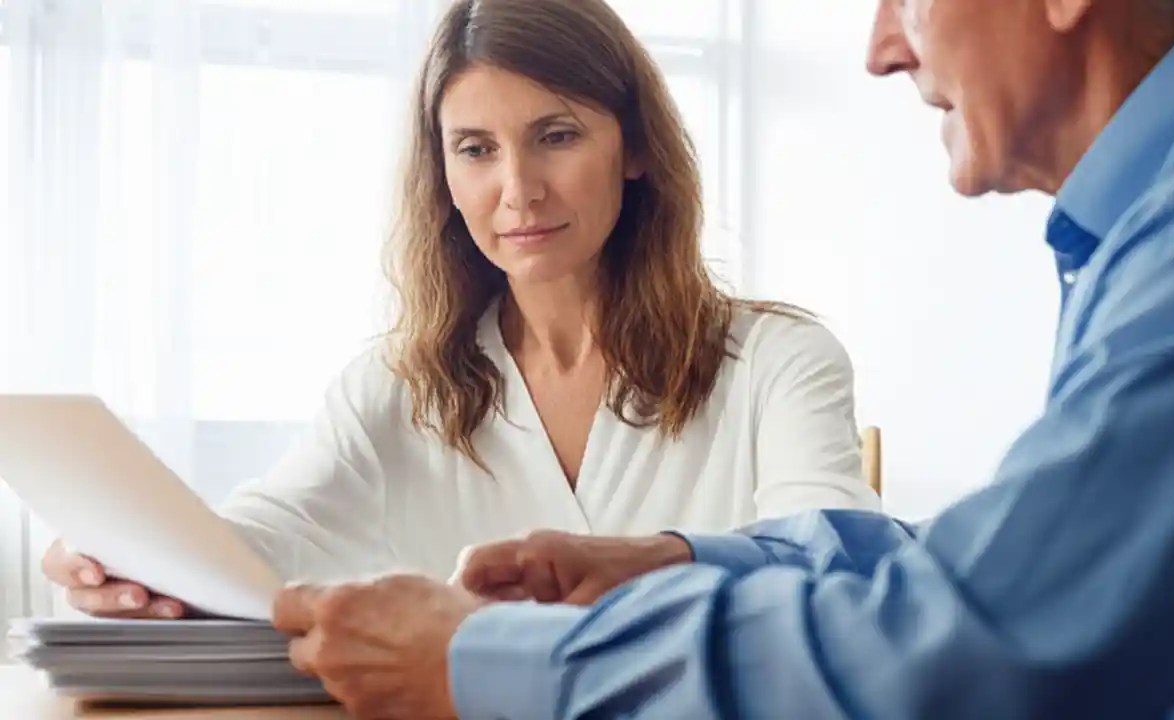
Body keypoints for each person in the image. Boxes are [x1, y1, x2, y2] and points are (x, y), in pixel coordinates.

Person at [270, 0, 1174, 717]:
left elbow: (980, 646)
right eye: (474, 149)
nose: (882, 49)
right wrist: (674, 559)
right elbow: (1006, 563)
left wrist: (481, 659)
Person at [38, 0, 880, 620]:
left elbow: (840, 570)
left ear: (635, 147)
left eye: (556, 135)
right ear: (443, 172)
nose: (518, 192)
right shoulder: (398, 386)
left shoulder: (778, 361)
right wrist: (126, 558)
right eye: (475, 150)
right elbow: (262, 539)